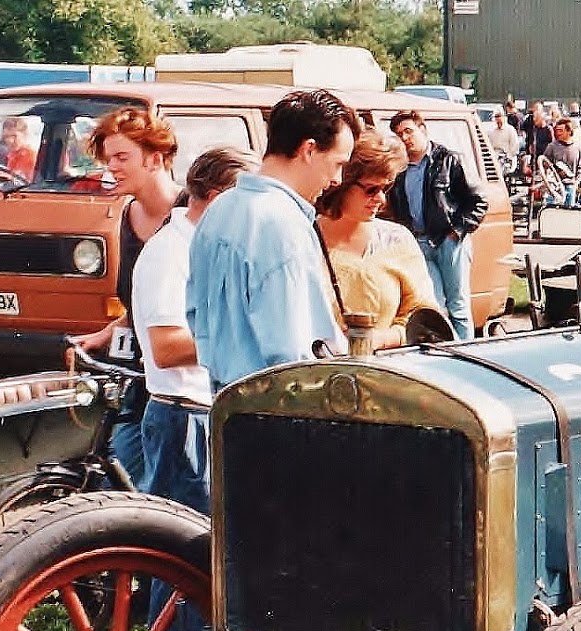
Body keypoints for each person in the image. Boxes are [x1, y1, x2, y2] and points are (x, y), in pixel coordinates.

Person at [188, 88, 356, 391]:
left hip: (223, 401)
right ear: (308, 149)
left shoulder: (217, 211)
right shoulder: (283, 225)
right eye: (338, 164)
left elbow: (195, 316)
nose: (337, 181)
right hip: (277, 408)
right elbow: (292, 352)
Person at [132, 147, 256, 512]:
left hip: (206, 413)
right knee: (183, 551)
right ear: (218, 200)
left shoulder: (206, 248)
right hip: (185, 418)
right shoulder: (170, 253)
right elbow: (166, 348)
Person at [67, 107, 183, 491]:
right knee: (118, 476)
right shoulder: (128, 213)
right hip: (138, 374)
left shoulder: (190, 214)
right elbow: (140, 305)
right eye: (108, 159)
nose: (111, 168)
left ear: (154, 159)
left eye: (121, 158)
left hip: (179, 383)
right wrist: (103, 334)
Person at [317, 127, 440, 351]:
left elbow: (425, 319)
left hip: (386, 375)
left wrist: (380, 339)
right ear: (342, 183)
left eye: (387, 187)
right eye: (371, 189)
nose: (381, 199)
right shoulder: (305, 240)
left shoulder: (397, 241)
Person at [387, 109, 490, 341]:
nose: (404, 138)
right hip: (418, 242)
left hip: (448, 240)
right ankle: (445, 351)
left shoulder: (449, 160)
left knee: (458, 304)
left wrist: (458, 231)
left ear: (422, 130)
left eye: (408, 131)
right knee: (433, 304)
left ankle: (467, 351)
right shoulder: (399, 168)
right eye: (399, 134)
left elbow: (479, 201)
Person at [541, 117, 581, 207]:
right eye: (557, 130)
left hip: (570, 186)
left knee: (568, 213)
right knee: (551, 210)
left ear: (569, 131)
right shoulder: (552, 147)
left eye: (561, 130)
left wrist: (577, 182)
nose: (558, 133)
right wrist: (554, 170)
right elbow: (544, 163)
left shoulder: (578, 149)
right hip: (555, 186)